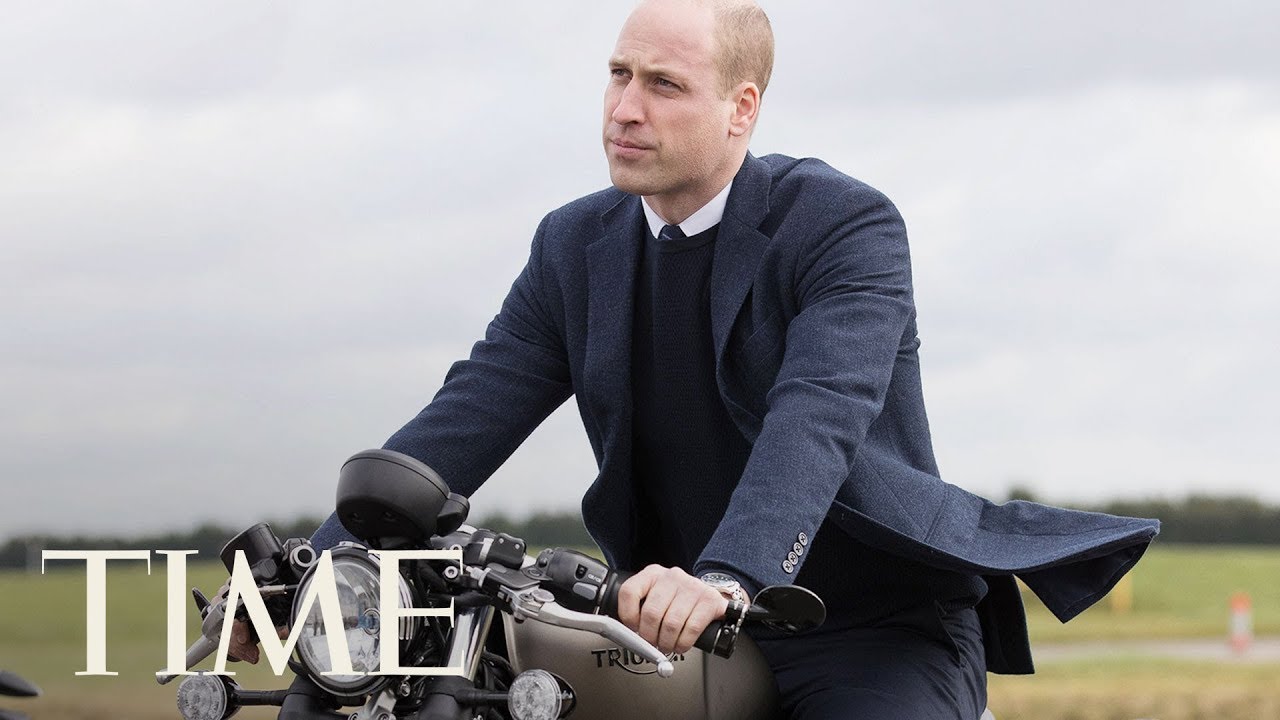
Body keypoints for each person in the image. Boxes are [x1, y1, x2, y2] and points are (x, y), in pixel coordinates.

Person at [250, 1, 1156, 717]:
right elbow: (462, 420)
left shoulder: (844, 226)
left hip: (867, 624)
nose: (624, 107)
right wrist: (305, 580)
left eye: (663, 84)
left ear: (741, 108)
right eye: (616, 75)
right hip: (653, 630)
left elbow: (819, 414)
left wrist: (730, 576)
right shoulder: (573, 246)